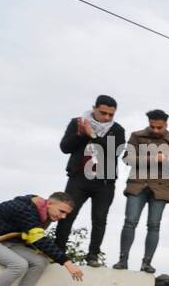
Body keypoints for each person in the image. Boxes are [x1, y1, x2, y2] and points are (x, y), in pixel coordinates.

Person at [54, 95, 126, 266]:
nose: (107, 117)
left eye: (111, 115)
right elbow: (65, 147)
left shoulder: (117, 130)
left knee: (100, 219)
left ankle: (93, 255)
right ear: (94, 109)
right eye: (103, 113)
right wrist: (81, 135)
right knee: (67, 214)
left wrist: (92, 135)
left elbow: (115, 151)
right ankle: (57, 252)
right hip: (79, 178)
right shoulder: (78, 123)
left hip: (104, 182)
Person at [116, 109, 169, 273]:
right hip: (138, 184)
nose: (155, 130)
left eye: (159, 127)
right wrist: (153, 158)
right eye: (152, 126)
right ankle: (122, 260)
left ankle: (147, 263)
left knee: (154, 226)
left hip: (160, 189)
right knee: (130, 222)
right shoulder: (137, 136)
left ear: (166, 125)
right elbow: (126, 158)